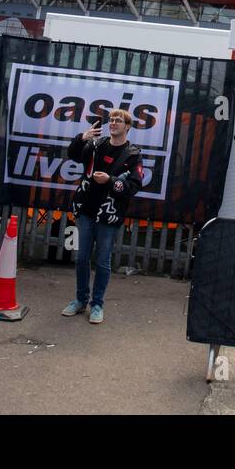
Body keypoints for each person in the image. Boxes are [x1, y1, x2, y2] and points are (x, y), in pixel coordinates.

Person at [62, 110, 144, 324]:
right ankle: (80, 300)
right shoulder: (96, 145)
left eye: (119, 120)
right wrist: (82, 139)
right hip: (86, 210)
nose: (114, 123)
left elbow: (134, 186)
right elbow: (73, 154)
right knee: (81, 258)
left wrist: (109, 180)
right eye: (112, 120)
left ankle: (97, 304)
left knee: (102, 261)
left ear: (127, 126)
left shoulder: (133, 154)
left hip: (109, 215)